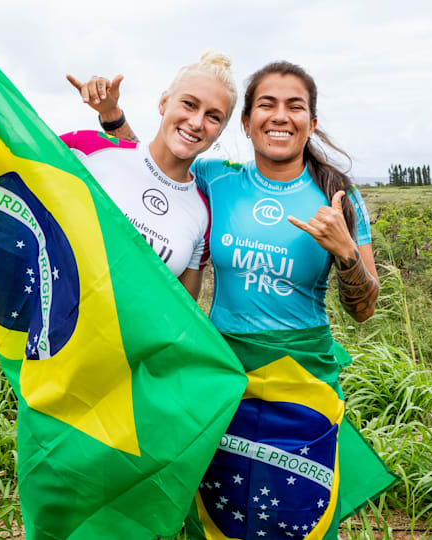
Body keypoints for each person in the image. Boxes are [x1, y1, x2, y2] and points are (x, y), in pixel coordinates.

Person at [87, 61, 397, 539]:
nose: (280, 116)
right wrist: (111, 118)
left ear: (311, 123)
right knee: (217, 509)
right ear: (248, 122)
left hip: (303, 379)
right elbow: (154, 166)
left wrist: (346, 254)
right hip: (224, 373)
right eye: (267, 105)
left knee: (297, 514)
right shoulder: (218, 178)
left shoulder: (337, 195)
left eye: (295, 107)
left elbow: (365, 308)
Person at [0, 2, 238, 301]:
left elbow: (181, 317)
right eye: (189, 104)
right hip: (56, 352)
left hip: (129, 368)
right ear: (164, 102)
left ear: (221, 129)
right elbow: (0, 152)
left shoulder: (202, 213)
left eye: (213, 117)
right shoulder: (90, 149)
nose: (196, 122)